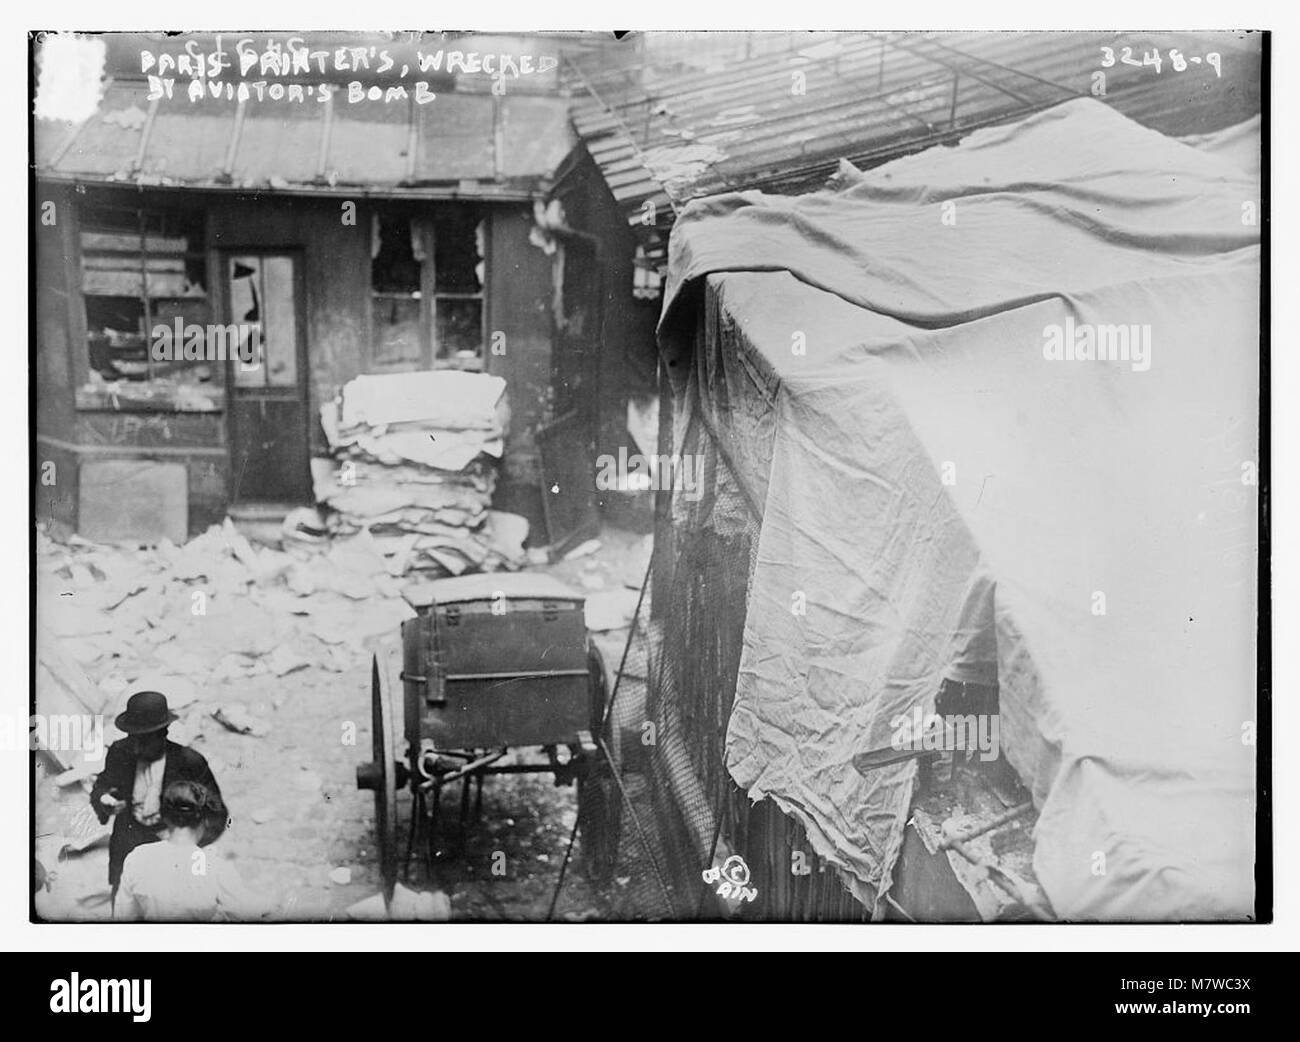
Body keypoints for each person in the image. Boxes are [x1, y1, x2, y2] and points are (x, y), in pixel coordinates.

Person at [89, 690, 227, 905]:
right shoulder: (119, 752)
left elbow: (217, 814)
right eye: (132, 738)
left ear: (162, 734)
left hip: (171, 844)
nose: (135, 747)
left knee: (170, 904)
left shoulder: (190, 763)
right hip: (129, 839)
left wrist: (184, 841)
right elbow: (102, 785)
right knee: (125, 900)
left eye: (144, 740)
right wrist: (105, 799)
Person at [114, 781, 257, 922]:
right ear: (204, 820)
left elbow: (123, 917)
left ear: (165, 817)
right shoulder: (215, 866)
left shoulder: (138, 858)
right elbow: (250, 913)